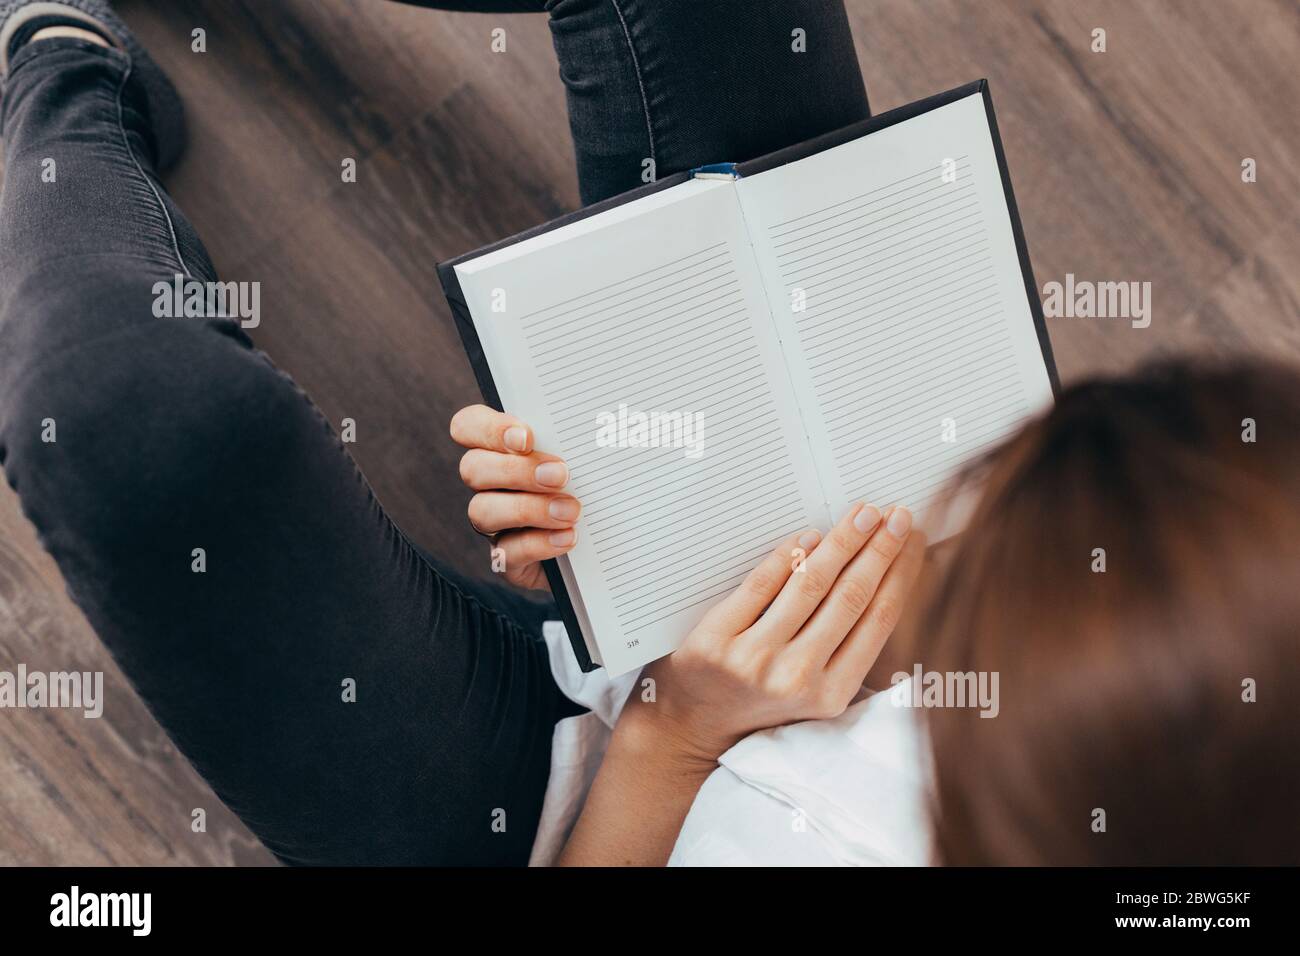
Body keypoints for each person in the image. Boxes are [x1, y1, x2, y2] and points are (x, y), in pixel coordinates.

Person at [0, 0, 903, 866]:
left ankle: (65, 62)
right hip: (808, 573)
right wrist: (651, 550)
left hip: (556, 818)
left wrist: (676, 727)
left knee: (119, 424)